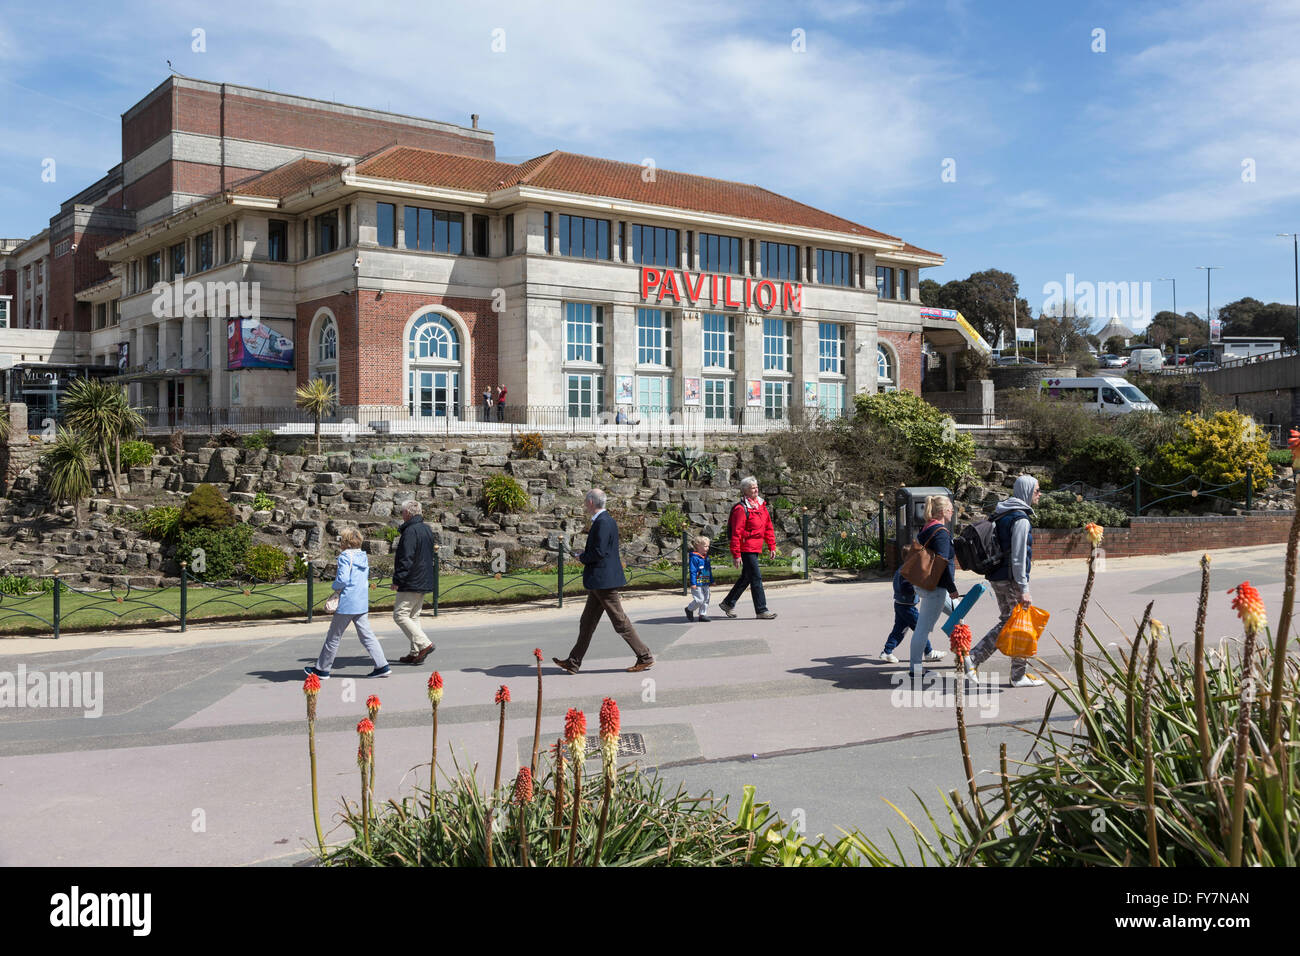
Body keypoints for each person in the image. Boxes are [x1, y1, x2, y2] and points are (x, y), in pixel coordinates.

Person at [553, 489, 655, 674]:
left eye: (586, 500)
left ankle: (645, 656)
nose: (585, 503)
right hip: (600, 581)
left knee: (619, 621)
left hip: (603, 581)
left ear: (591, 502)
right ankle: (573, 662)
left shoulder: (602, 522)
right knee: (587, 622)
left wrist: (582, 557)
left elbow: (599, 552)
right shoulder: (605, 520)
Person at [968, 475, 1046, 688]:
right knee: (1016, 625)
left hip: (998, 576)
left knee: (1012, 622)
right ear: (1028, 491)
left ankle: (1017, 674)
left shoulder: (1003, 513)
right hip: (1011, 579)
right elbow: (1019, 556)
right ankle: (974, 657)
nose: (1039, 494)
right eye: (1037, 490)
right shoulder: (1020, 519)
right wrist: (1024, 588)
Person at [305, 528, 390, 679]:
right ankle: (382, 665)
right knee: (367, 636)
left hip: (347, 601)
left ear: (345, 542)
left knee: (333, 637)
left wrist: (335, 587)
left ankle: (322, 669)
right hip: (361, 601)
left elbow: (343, 579)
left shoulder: (344, 556)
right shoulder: (363, 556)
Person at [908, 495, 960, 681]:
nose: (953, 511)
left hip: (924, 583)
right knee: (923, 628)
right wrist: (952, 588)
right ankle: (915, 668)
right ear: (942, 511)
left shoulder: (928, 527)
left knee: (958, 616)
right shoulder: (941, 532)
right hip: (935, 587)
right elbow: (942, 563)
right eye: (950, 508)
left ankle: (965, 657)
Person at [719, 476, 778, 620]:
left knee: (747, 577)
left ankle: (728, 603)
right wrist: (736, 554)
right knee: (756, 577)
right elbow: (736, 532)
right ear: (745, 490)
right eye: (752, 487)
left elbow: (768, 527)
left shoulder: (761, 505)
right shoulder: (741, 509)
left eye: (756, 486)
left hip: (756, 547)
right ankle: (761, 610)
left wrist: (771, 545)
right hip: (746, 548)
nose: (756, 489)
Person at [390, 499, 436, 665]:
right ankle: (415, 651)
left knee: (400, 615)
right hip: (423, 578)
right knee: (413, 616)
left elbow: (406, 558)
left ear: (408, 513)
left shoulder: (410, 531)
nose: (401, 514)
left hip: (411, 579)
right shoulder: (426, 529)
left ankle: (424, 644)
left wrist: (398, 579)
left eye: (402, 512)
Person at [880, 565, 950, 663]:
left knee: (899, 630)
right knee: (921, 629)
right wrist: (920, 589)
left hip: (900, 604)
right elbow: (906, 587)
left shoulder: (901, 568)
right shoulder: (909, 571)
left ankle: (887, 651)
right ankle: (929, 652)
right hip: (908, 607)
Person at [685, 534, 713, 622]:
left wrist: (712, 580)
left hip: (705, 582)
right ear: (698, 546)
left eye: (708, 546)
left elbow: (708, 570)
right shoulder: (694, 558)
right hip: (697, 583)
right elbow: (692, 571)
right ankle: (689, 609)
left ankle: (702, 614)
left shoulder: (706, 557)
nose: (707, 548)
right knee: (699, 600)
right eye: (705, 546)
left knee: (707, 598)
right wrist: (693, 583)